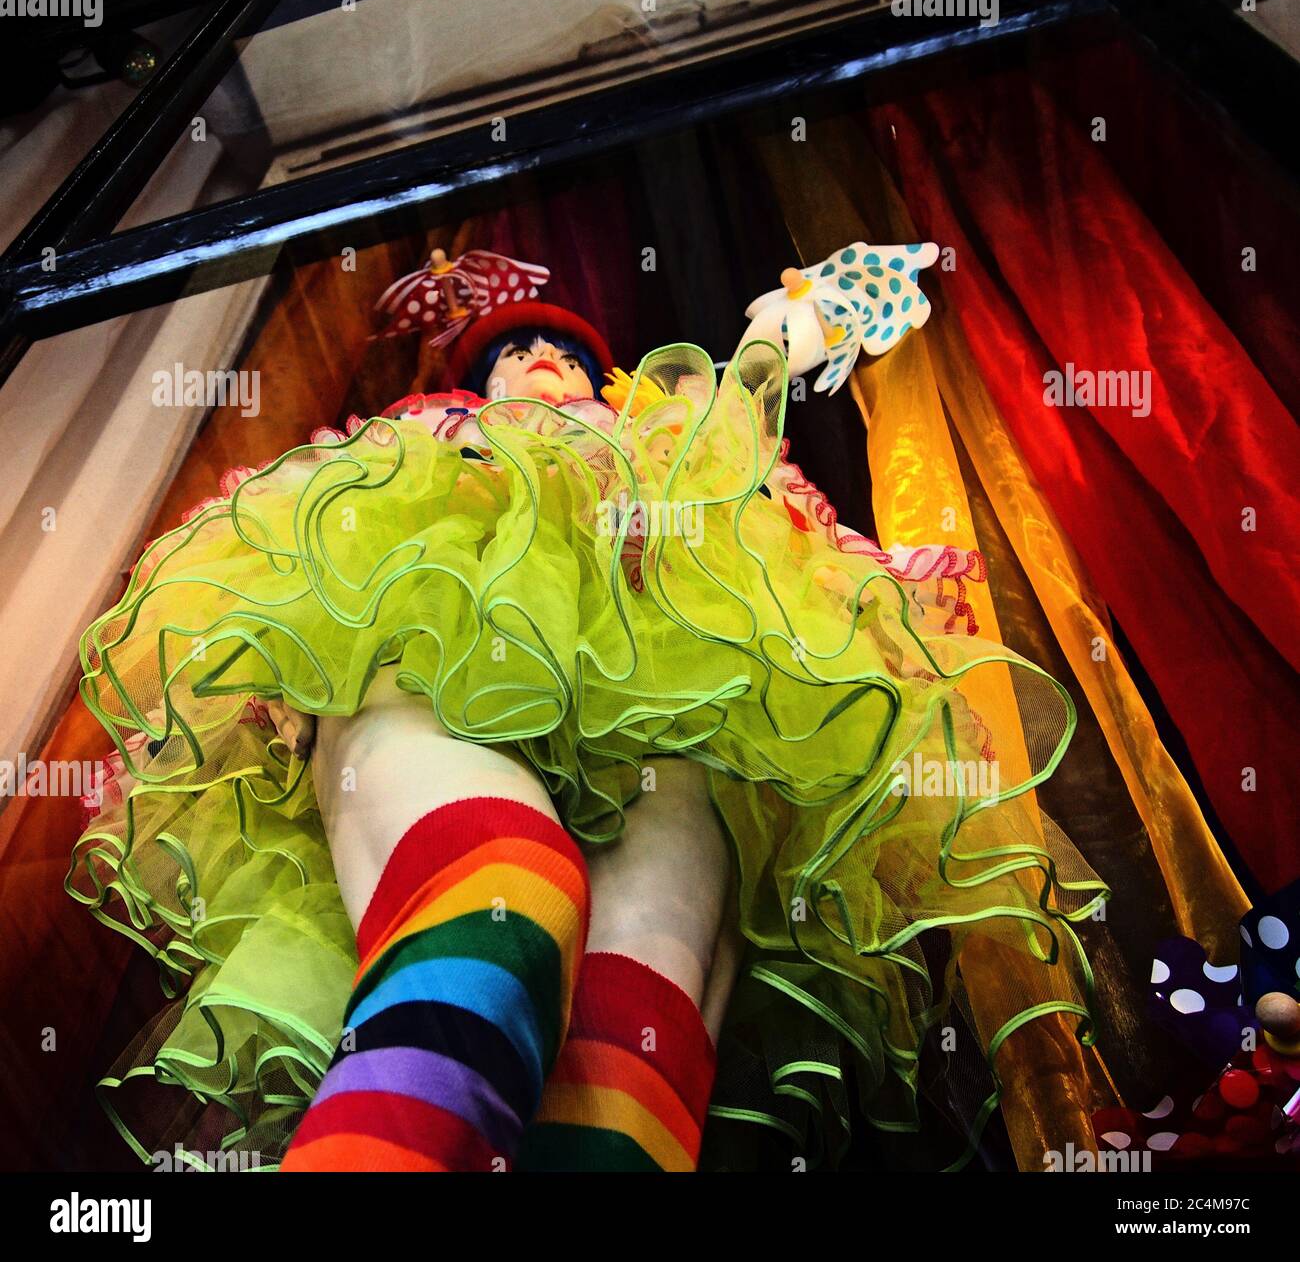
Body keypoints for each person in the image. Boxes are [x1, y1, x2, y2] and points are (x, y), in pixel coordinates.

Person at [70, 246, 1101, 1171]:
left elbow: (733, 477)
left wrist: (763, 350)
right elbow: (303, 546)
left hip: (671, 700)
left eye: (555, 348)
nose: (536, 359)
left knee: (625, 1038)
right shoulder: (425, 437)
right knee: (495, 901)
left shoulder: (649, 429)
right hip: (442, 645)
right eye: (510, 349)